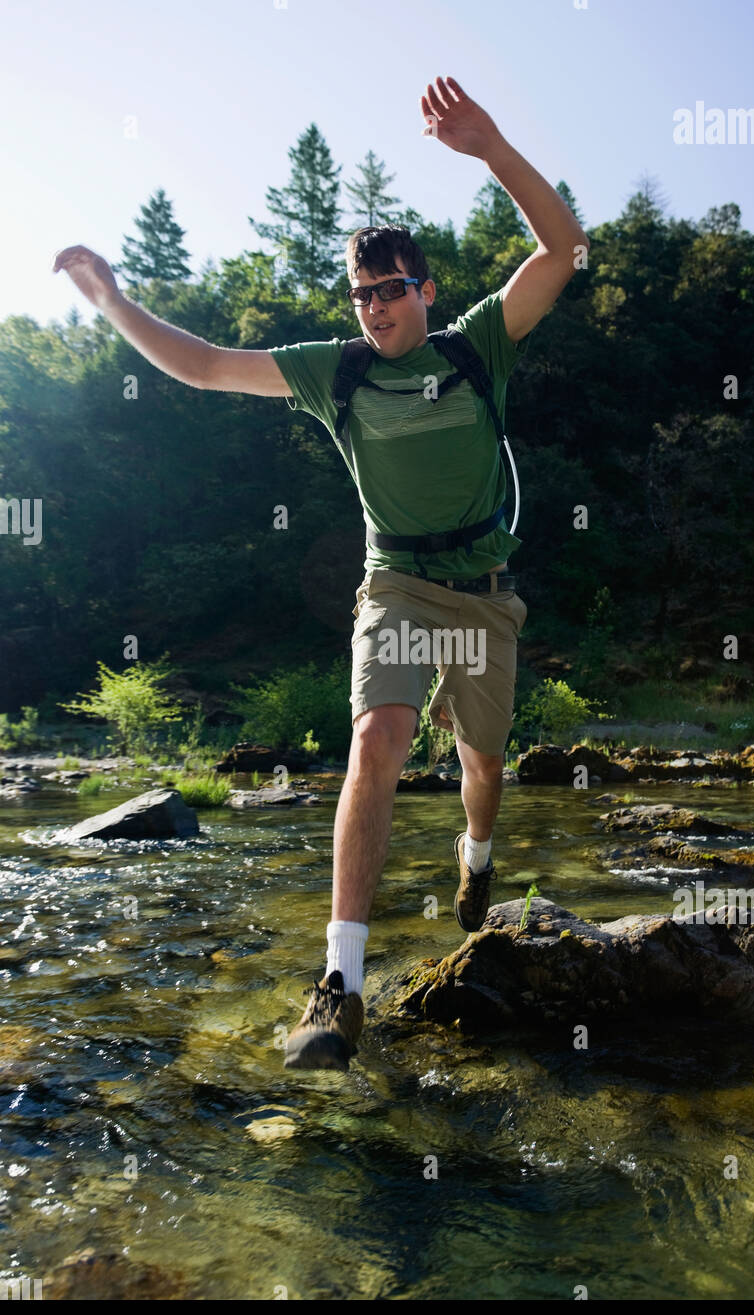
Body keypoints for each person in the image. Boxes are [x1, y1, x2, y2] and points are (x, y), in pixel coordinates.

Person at [54, 74, 589, 1073]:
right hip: (393, 582)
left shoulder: (479, 348)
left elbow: (563, 250)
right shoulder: (335, 370)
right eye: (363, 292)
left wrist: (492, 149)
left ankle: (475, 864)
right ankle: (339, 983)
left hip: (483, 593)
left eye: (393, 288)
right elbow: (209, 365)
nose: (377, 305)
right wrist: (117, 302)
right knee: (378, 737)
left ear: (425, 291)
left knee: (481, 770)